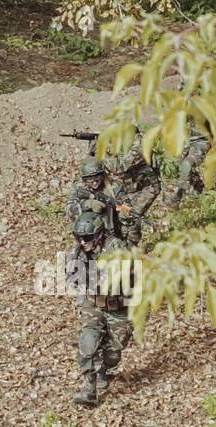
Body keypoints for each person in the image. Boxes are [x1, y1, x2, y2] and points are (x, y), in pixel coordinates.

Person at [66, 211, 135, 407]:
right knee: (88, 342)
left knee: (114, 353)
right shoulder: (78, 252)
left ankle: (102, 368)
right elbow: (71, 275)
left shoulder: (116, 248)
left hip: (119, 305)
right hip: (94, 303)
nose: (82, 242)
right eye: (78, 238)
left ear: (99, 234)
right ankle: (89, 390)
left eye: (87, 238)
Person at [101, 129, 161, 247]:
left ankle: (131, 248)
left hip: (147, 188)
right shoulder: (121, 143)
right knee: (118, 218)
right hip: (129, 189)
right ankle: (120, 247)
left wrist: (102, 153)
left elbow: (120, 167)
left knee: (131, 217)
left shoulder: (140, 145)